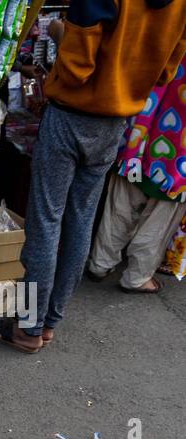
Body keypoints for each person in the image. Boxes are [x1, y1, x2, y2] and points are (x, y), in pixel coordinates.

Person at [0, 0, 186, 352]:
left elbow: (77, 67)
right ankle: (47, 322)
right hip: (115, 121)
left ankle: (28, 327)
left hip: (71, 116)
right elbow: (166, 70)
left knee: (46, 220)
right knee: (80, 219)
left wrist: (61, 32)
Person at [87, 62, 186, 292]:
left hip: (139, 132)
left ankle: (100, 264)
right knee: (159, 221)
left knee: (120, 205)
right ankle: (136, 277)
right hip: (178, 155)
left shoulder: (166, 26)